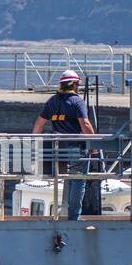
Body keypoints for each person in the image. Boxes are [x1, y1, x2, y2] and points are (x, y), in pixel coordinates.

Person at [33, 70, 97, 220]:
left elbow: (38, 125)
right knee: (78, 181)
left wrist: (35, 144)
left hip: (57, 150)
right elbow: (85, 124)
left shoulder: (52, 101)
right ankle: (74, 217)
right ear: (74, 85)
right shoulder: (77, 102)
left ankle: (62, 213)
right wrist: (93, 144)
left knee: (64, 178)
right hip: (75, 148)